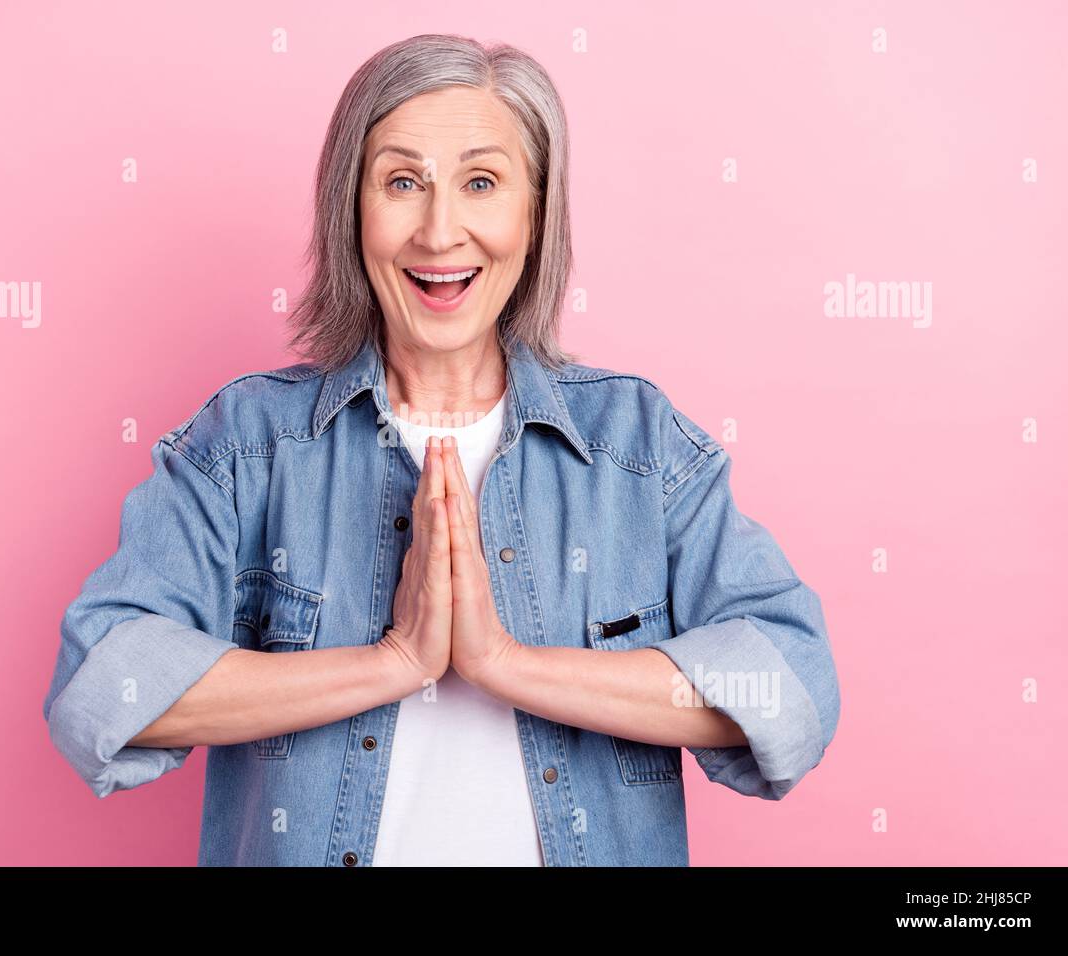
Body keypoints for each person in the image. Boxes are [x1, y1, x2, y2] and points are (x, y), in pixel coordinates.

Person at [42, 33, 841, 867]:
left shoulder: (637, 450)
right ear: (352, 212)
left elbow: (794, 688)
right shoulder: (246, 447)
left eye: (482, 183)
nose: (439, 229)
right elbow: (101, 689)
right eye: (402, 182)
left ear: (536, 216)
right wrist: (393, 661)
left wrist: (504, 663)